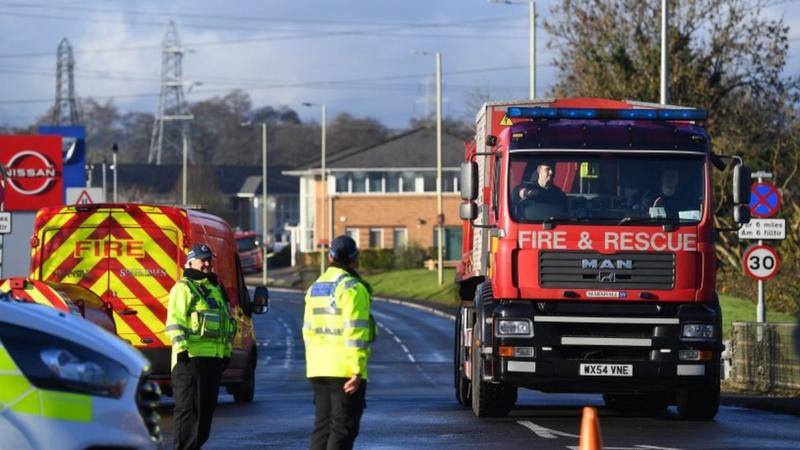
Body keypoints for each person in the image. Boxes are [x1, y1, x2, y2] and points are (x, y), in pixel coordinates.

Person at [303, 235, 374, 450]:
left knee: (322, 427)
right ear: (355, 259)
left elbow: (307, 330)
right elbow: (356, 332)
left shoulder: (315, 287)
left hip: (317, 368)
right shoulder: (353, 288)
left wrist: (313, 363)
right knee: (343, 429)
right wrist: (357, 370)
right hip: (343, 370)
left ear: (330, 256)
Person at [166, 243, 236, 450]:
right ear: (190, 262)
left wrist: (225, 354)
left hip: (212, 361)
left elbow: (225, 325)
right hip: (190, 360)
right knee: (189, 416)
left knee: (204, 417)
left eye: (209, 260)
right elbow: (175, 321)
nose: (206, 264)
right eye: (202, 259)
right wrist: (182, 351)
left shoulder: (215, 289)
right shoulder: (183, 287)